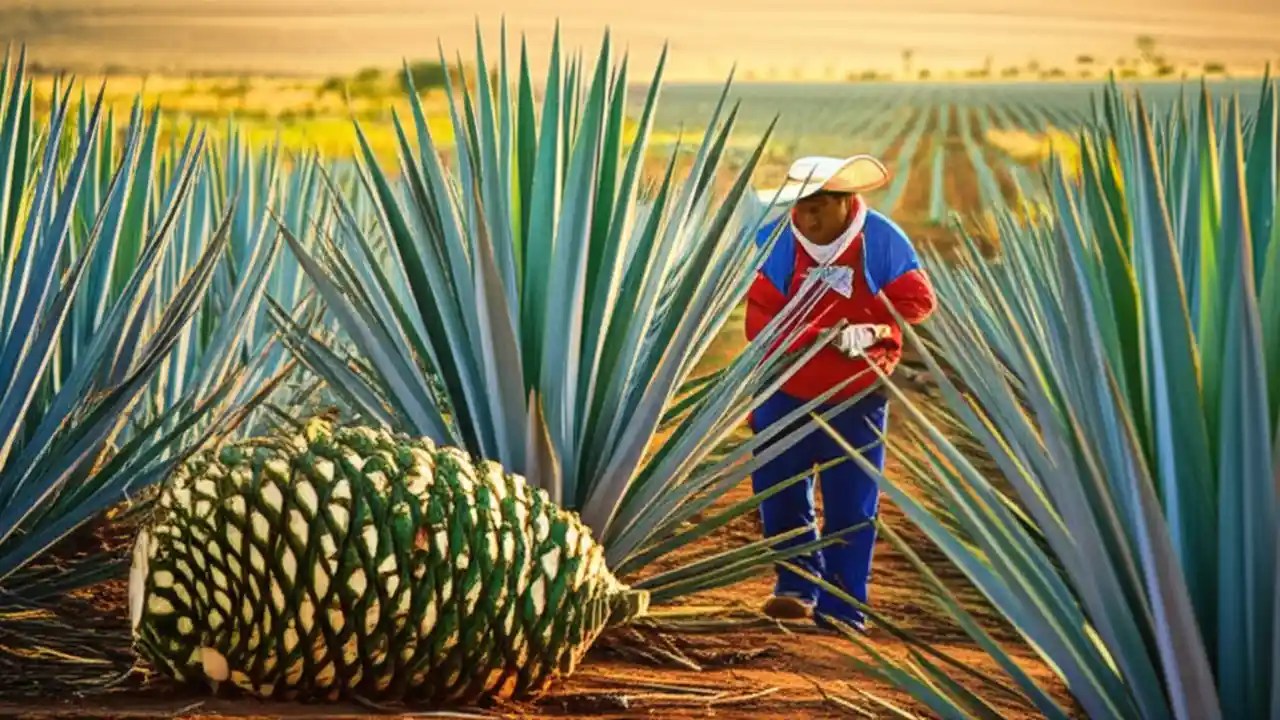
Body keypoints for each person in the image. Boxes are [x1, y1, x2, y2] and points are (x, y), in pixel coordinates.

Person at [744, 154, 937, 633]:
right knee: (778, 488)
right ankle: (795, 584)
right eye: (800, 206)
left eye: (817, 208)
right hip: (785, 387)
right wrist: (815, 333)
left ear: (845, 203)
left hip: (857, 394)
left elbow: (918, 301)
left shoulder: (881, 240)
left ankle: (844, 607)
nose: (805, 218)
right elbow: (759, 318)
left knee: (852, 502)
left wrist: (872, 329)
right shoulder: (776, 241)